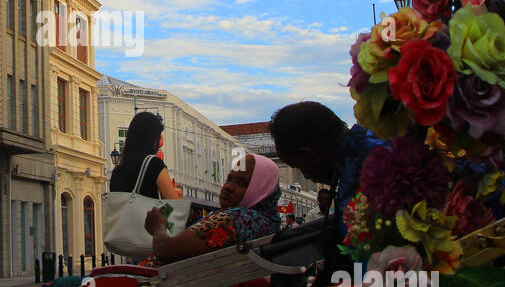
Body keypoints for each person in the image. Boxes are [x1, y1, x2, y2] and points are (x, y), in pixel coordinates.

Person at [269, 101, 380, 240]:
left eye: (300, 166)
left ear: (308, 154)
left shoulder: (363, 177)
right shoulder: (374, 146)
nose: (307, 176)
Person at [145, 153, 281, 263]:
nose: (228, 187)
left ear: (261, 190)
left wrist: (158, 226)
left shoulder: (233, 220)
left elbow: (166, 250)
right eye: (229, 179)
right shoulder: (266, 223)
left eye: (241, 183)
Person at [108, 111, 182, 198]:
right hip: (148, 212)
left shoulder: (117, 172)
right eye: (158, 137)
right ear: (152, 139)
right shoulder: (154, 165)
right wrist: (178, 196)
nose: (159, 143)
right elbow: (173, 207)